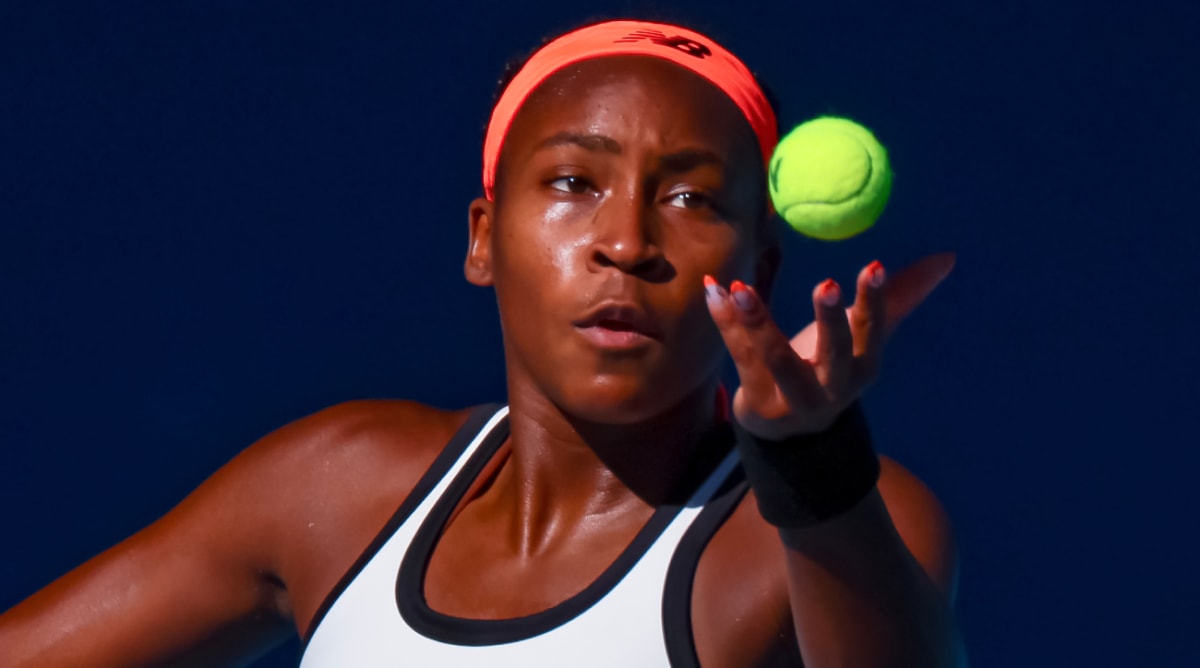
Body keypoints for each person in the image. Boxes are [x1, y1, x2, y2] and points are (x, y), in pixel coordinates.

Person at [0, 19, 964, 667]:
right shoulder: (333, 487)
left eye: (691, 197)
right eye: (574, 183)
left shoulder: (839, 522)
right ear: (482, 240)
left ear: (759, 271)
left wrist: (809, 462)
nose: (627, 241)